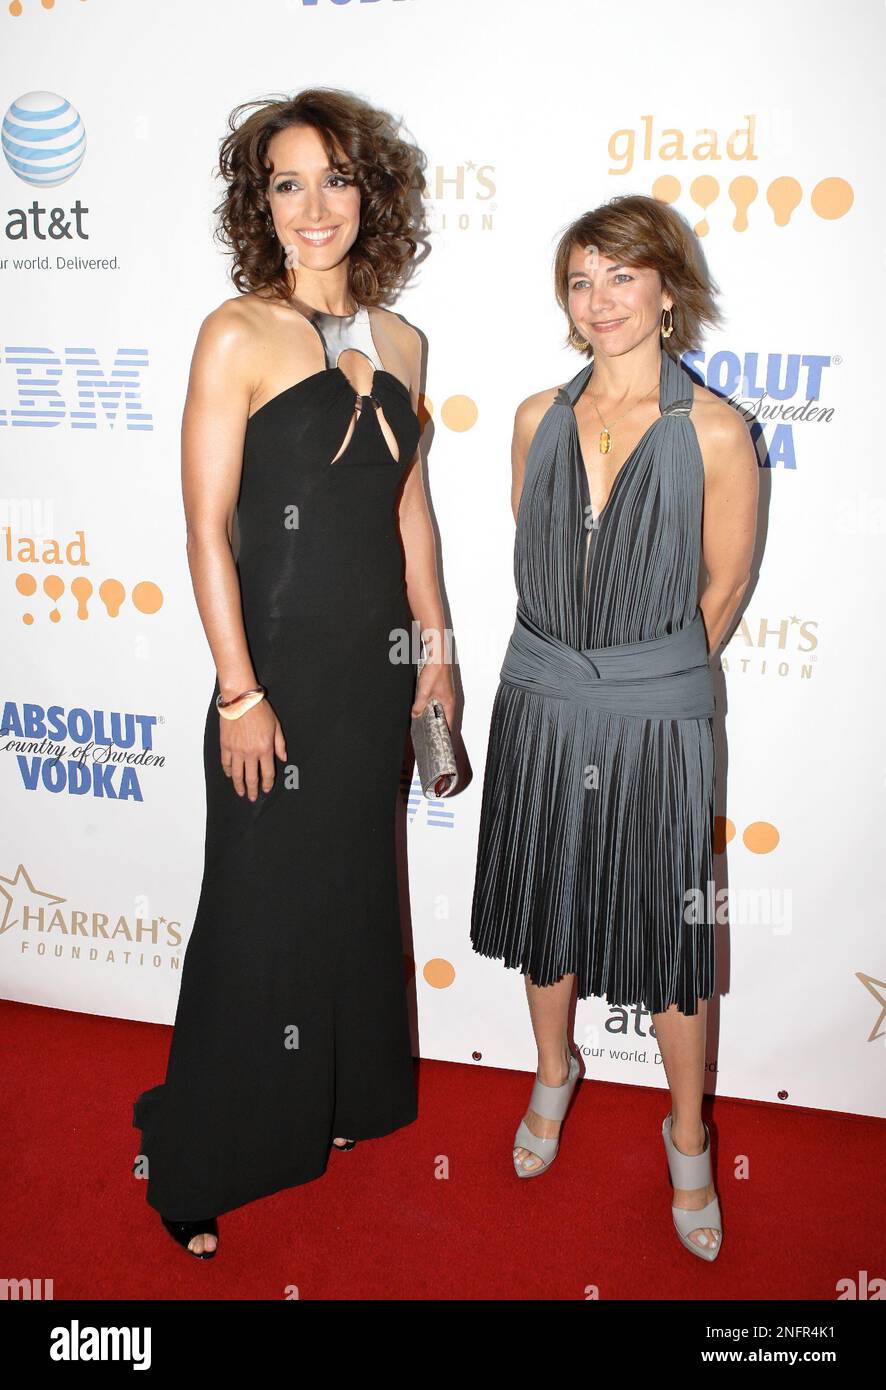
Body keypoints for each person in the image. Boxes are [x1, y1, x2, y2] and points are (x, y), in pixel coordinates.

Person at [132, 88, 454, 1257]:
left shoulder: (406, 341)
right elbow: (205, 530)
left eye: (333, 179)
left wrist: (433, 661)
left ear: (370, 193)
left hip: (373, 677)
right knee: (258, 911)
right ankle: (200, 1158)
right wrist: (238, 691)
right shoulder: (237, 332)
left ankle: (346, 1101)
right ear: (257, 203)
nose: (312, 206)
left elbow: (411, 519)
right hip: (271, 675)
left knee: (359, 894)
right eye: (285, 182)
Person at [470, 194, 758, 1261]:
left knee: (668, 936)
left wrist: (645, 681)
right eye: (580, 281)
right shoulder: (533, 418)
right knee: (548, 903)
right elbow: (540, 554)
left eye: (620, 277)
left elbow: (721, 590)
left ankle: (687, 1132)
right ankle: (555, 1074)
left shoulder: (714, 430)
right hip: (540, 693)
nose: (599, 300)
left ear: (667, 288)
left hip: (655, 710)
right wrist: (576, 673)